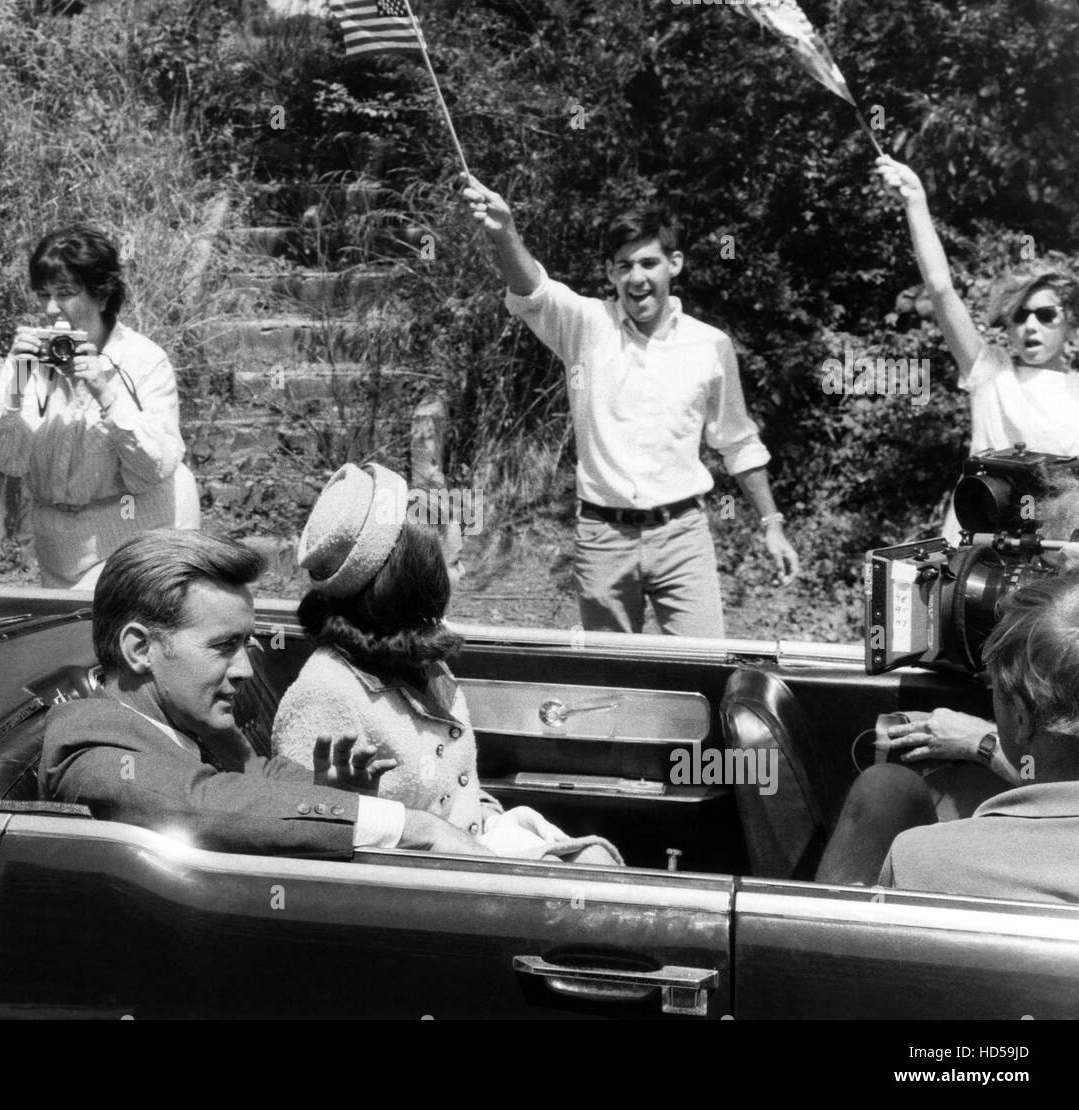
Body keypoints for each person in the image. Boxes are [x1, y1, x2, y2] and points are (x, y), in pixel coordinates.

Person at [461, 176, 799, 638]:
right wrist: (505, 231)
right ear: (610, 273)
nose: (637, 278)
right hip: (603, 539)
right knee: (615, 682)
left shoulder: (709, 345)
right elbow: (534, 289)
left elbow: (737, 441)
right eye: (624, 266)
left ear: (674, 264)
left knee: (704, 671)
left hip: (683, 536)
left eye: (649, 262)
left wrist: (772, 524)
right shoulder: (585, 326)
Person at [41, 528, 493, 859]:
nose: (244, 669)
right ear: (140, 649)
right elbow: (203, 803)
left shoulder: (197, 727)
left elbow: (266, 782)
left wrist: (343, 798)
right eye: (223, 646)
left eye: (247, 644)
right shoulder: (92, 754)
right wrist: (414, 827)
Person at [272, 462, 623, 864]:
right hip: (416, 879)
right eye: (454, 562)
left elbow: (454, 791)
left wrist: (492, 820)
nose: (464, 571)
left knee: (595, 859)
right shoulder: (323, 693)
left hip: (465, 851)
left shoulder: (420, 663)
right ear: (415, 580)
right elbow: (308, 844)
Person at [818, 570, 1079, 902]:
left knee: (883, 789)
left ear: (1021, 718)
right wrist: (982, 742)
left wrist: (984, 742)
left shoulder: (921, 861)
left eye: (995, 690)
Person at [0, 225, 200, 590]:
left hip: (138, 538)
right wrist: (14, 384)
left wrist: (106, 393)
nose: (50, 309)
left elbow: (156, 467)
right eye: (44, 295)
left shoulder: (143, 360)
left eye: (66, 294)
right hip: (59, 545)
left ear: (102, 296)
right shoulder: (33, 360)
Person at [876, 156, 1079, 545]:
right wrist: (915, 202)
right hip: (973, 550)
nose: (1030, 326)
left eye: (1046, 314)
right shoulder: (991, 373)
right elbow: (940, 288)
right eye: (1019, 315)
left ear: (1070, 322)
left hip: (1052, 559)